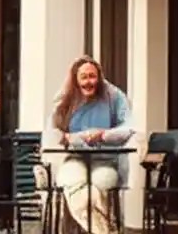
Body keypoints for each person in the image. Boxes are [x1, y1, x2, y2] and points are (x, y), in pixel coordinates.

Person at [46, 56, 134, 234]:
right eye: (84, 77)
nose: (88, 82)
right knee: (73, 185)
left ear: (99, 77)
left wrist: (104, 134)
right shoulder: (65, 97)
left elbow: (129, 127)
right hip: (74, 158)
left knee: (99, 186)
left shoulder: (114, 96)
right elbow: (51, 132)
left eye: (92, 76)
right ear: (76, 79)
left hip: (106, 160)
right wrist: (64, 138)